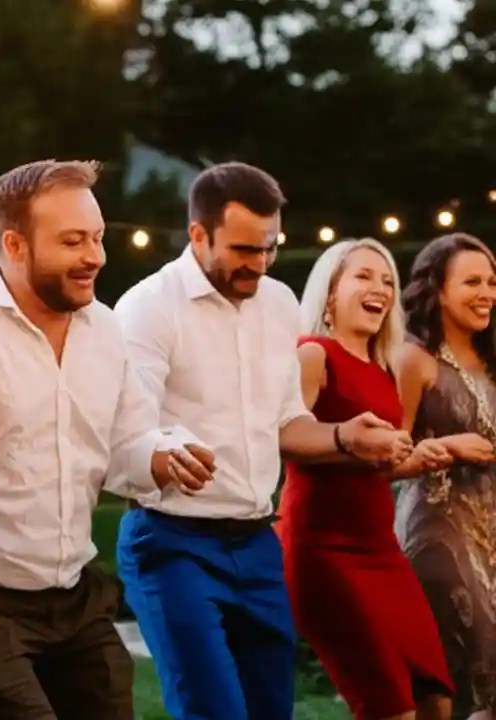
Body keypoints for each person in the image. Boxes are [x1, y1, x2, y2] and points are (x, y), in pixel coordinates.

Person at [0, 159, 216, 720]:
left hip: (76, 595)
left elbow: (127, 443)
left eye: (97, 238)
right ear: (14, 245)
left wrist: (163, 459)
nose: (95, 257)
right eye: (73, 242)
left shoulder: (106, 330)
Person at [113, 162, 414, 720]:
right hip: (171, 541)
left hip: (256, 543)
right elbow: (125, 430)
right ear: (199, 235)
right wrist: (165, 453)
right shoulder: (146, 308)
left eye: (270, 248)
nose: (259, 264)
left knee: (271, 709)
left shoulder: (277, 305)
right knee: (215, 709)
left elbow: (286, 424)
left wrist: (346, 436)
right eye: (245, 250)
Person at [280, 238, 455, 720]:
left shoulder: (382, 371)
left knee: (434, 697)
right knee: (388, 705)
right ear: (330, 293)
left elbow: (375, 462)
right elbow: (280, 434)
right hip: (323, 549)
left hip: (380, 550)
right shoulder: (313, 354)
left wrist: (416, 458)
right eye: (363, 276)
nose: (379, 288)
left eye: (387, 282)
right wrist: (347, 440)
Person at [395, 232, 496, 720]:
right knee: (475, 665)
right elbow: (386, 455)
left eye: (492, 282)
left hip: (492, 530)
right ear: (437, 291)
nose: (487, 293)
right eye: (472, 281)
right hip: (439, 536)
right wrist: (448, 447)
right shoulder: (414, 360)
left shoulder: (492, 362)